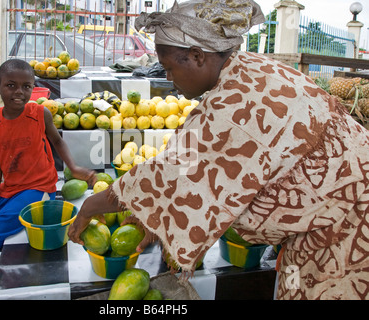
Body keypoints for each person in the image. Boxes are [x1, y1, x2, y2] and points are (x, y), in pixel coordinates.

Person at [68, 0, 369, 300]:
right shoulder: (251, 68)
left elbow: (168, 172)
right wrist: (151, 210)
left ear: (197, 56)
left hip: (345, 232)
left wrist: (92, 205)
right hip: (341, 211)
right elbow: (187, 163)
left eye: (170, 67)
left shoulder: (229, 107)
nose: (169, 79)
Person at [0, 59, 97, 294]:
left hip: (39, 190)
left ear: (33, 88)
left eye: (26, 86)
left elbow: (57, 141)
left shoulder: (40, 114)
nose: (19, 92)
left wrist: (73, 167)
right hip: (8, 190)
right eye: (11, 85)